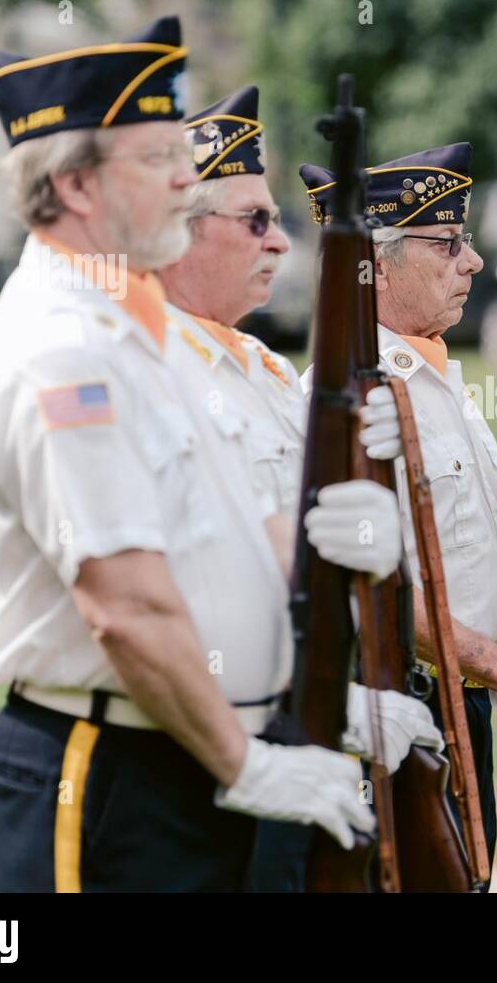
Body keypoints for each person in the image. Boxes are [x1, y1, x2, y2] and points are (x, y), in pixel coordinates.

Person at [0, 17, 391, 892]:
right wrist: (248, 763)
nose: (189, 179)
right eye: (158, 158)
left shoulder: (138, 328)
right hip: (115, 768)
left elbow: (231, 529)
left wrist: (344, 554)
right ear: (77, 184)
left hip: (190, 753)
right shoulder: (65, 345)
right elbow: (127, 605)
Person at [300, 144, 497, 876]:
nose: (471, 262)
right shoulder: (349, 393)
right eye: (446, 244)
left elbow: (454, 562)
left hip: (459, 707)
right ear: (375, 264)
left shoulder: (431, 373)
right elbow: (371, 594)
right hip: (400, 710)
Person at [157, 86, 442, 890]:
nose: (282, 242)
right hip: (217, 744)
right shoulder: (155, 370)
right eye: (256, 220)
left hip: (310, 720)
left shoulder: (268, 371)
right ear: (180, 230)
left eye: (278, 218)